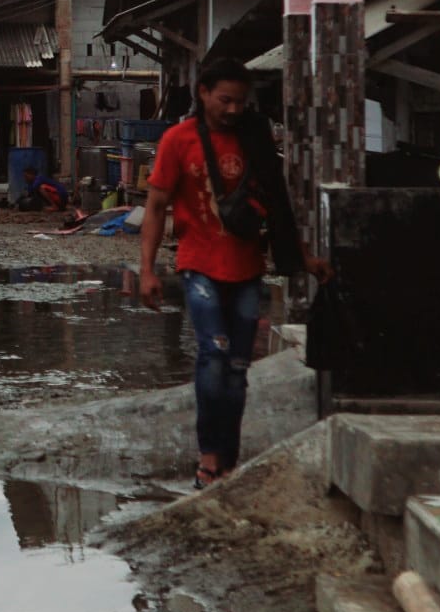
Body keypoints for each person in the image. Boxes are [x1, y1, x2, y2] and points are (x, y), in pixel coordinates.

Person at [138, 57, 332, 489]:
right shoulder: (177, 140)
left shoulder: (255, 140)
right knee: (213, 355)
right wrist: (147, 269)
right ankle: (208, 457)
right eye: (224, 100)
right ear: (202, 93)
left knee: (238, 367)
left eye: (240, 102)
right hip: (198, 265)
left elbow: (280, 205)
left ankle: (228, 458)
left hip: (246, 268)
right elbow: (154, 207)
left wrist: (304, 257)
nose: (231, 109)